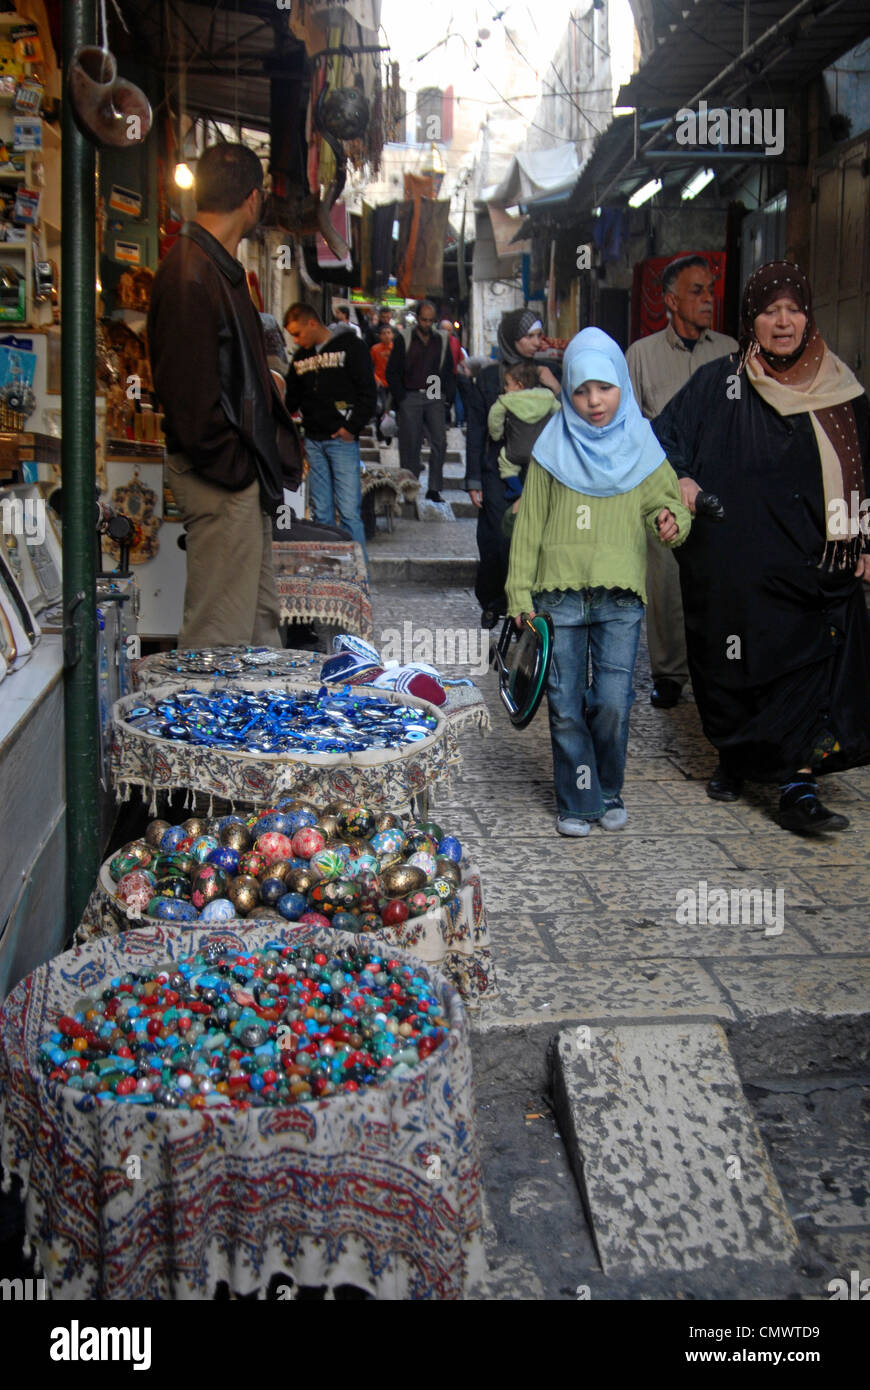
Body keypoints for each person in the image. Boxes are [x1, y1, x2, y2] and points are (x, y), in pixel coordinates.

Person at [652, 260, 870, 833]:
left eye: (793, 309)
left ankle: (798, 784)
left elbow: (864, 470)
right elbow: (662, 439)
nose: (783, 322)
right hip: (733, 564)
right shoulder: (718, 382)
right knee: (733, 665)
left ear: (808, 317)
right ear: (751, 318)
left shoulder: (839, 389)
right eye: (770, 310)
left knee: (802, 669)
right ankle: (736, 756)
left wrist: (863, 536)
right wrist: (685, 480)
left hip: (810, 565)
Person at [507, 328, 691, 836]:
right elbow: (529, 528)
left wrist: (673, 520)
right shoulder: (551, 446)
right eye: (582, 390)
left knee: (613, 702)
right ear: (567, 390)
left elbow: (667, 501)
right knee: (565, 705)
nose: (593, 402)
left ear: (622, 387)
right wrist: (519, 594)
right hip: (558, 597)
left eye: (604, 389)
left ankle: (608, 788)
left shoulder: (641, 442)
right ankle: (577, 798)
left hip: (620, 597)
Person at [147, 142, 302, 649]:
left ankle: (258, 727)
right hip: (221, 476)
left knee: (256, 625)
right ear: (253, 201)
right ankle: (200, 729)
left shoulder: (213, 267)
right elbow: (191, 403)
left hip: (235, 474)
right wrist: (234, 467)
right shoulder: (192, 272)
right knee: (218, 639)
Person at [626, 254, 738, 708]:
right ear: (671, 301)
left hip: (720, 486)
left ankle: (719, 664)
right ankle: (669, 674)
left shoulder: (730, 351)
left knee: (720, 580)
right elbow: (630, 426)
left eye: (710, 290)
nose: (707, 299)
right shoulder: (642, 355)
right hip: (664, 489)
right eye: (697, 291)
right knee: (667, 582)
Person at [466, 308, 562, 627]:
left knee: (537, 539)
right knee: (498, 539)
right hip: (498, 471)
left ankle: (528, 612)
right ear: (511, 338)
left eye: (539, 335)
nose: (537, 342)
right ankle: (499, 600)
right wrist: (473, 479)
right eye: (529, 336)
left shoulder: (549, 372)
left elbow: (572, 417)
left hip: (542, 471)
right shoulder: (490, 377)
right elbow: (478, 428)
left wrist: (555, 386)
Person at [284, 301, 376, 556]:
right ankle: (327, 574)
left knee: (348, 512)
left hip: (341, 441)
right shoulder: (301, 357)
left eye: (297, 333)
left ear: (312, 323)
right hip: (314, 440)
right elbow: (291, 398)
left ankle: (358, 580)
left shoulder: (352, 348)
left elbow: (368, 392)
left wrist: (351, 428)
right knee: (320, 513)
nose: (295, 340)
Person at [386, 300, 455, 502]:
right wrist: (401, 396)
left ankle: (434, 488)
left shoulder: (440, 339)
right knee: (410, 443)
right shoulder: (404, 339)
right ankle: (410, 487)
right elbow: (392, 370)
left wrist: (447, 399)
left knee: (439, 442)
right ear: (417, 319)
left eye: (431, 320)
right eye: (424, 320)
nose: (427, 324)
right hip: (411, 392)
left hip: (433, 390)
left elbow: (449, 370)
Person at [487, 358, 561, 537]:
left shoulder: (506, 400)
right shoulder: (547, 397)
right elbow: (560, 414)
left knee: (506, 463)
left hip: (515, 449)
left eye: (507, 384)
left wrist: (497, 434)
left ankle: (515, 488)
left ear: (519, 385)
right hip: (541, 451)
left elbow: (494, 417)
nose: (505, 388)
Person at [370, 323, 394, 441]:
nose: (386, 336)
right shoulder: (375, 349)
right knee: (381, 409)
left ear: (392, 335)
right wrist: (375, 379)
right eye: (384, 333)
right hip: (380, 383)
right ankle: (380, 435)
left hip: (393, 384)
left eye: (389, 333)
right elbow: (369, 366)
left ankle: (388, 434)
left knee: (390, 410)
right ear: (380, 336)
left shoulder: (395, 348)